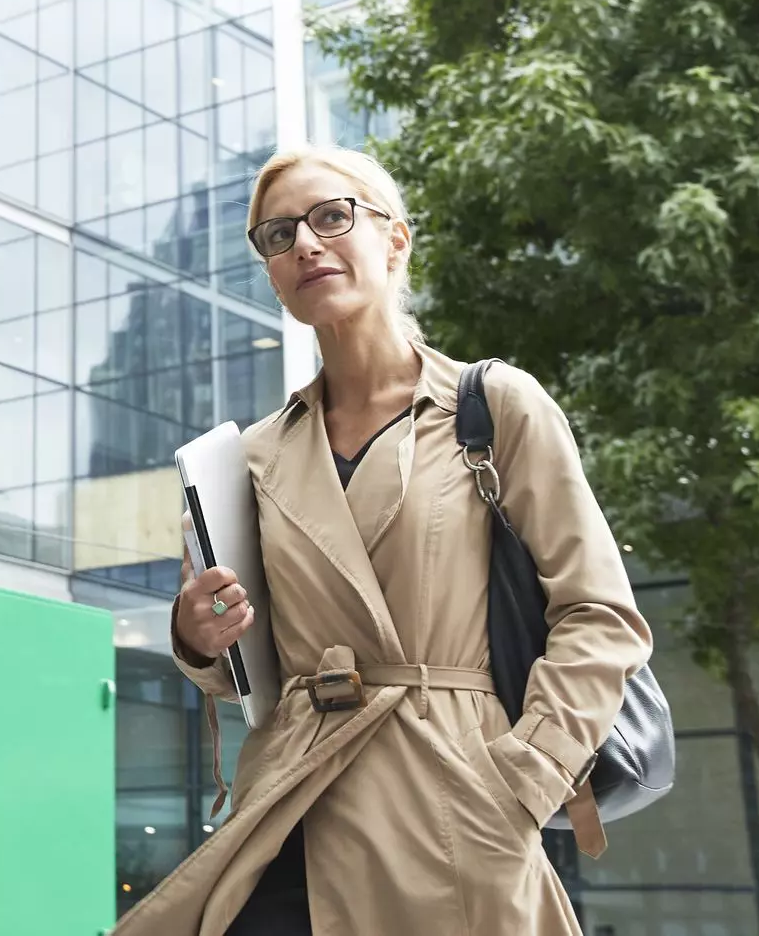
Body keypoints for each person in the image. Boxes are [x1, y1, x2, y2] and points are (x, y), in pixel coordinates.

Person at [118, 145, 651, 936]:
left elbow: (599, 616)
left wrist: (525, 776)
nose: (303, 243)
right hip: (291, 799)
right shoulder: (250, 457)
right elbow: (248, 673)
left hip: (450, 801)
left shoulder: (492, 406)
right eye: (276, 235)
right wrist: (197, 637)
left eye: (331, 216)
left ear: (393, 239)